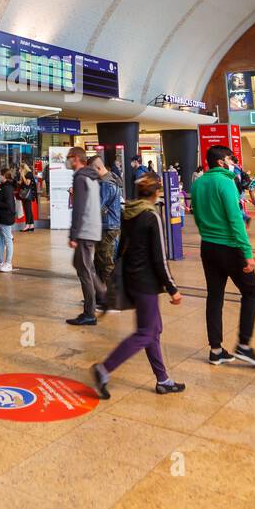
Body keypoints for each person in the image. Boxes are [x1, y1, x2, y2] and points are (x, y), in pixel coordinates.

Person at [91, 174, 185, 399]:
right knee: (145, 332)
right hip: (146, 282)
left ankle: (163, 379)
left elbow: (121, 247)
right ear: (155, 193)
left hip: (131, 278)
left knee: (153, 329)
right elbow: (159, 258)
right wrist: (172, 288)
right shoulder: (152, 216)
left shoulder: (129, 213)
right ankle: (104, 370)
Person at [190, 145, 255, 366]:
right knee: (251, 291)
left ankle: (215, 349)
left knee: (215, 296)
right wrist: (247, 252)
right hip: (230, 246)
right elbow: (236, 220)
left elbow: (196, 214)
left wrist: (206, 232)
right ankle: (244, 345)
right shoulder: (225, 182)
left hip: (208, 246)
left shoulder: (198, 183)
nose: (233, 162)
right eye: (230, 158)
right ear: (221, 161)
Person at [66, 147, 106, 325]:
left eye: (68, 158)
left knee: (84, 271)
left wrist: (74, 234)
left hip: (85, 230)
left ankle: (90, 313)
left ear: (76, 158)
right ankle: (104, 295)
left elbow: (79, 208)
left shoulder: (81, 178)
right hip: (92, 228)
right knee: (82, 265)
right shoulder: (91, 177)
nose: (67, 161)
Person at [91, 155, 123, 293]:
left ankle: (112, 298)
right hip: (111, 225)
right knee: (102, 261)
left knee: (106, 262)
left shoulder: (105, 183)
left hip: (107, 226)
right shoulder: (113, 178)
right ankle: (101, 296)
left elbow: (97, 206)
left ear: (98, 168)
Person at [0, 168, 18, 272]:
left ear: (4, 176)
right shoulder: (4, 187)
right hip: (0, 217)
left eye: (0, 175)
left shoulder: (7, 188)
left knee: (7, 239)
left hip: (5, 218)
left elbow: (9, 206)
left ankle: (8, 263)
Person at [16, 163, 37, 231]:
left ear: (23, 168)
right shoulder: (25, 174)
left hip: (27, 194)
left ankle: (27, 225)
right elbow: (21, 183)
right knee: (28, 209)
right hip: (24, 194)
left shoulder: (28, 174)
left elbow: (27, 183)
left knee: (27, 209)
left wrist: (22, 176)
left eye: (20, 168)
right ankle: (31, 225)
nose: (19, 170)